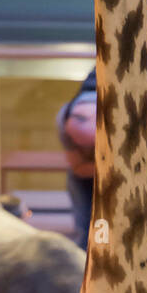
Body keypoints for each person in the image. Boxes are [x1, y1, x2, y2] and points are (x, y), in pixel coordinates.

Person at [57, 67, 98, 249]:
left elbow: (77, 166)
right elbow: (78, 167)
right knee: (88, 228)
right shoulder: (68, 114)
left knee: (85, 228)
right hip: (88, 177)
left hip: (85, 175)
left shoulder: (68, 111)